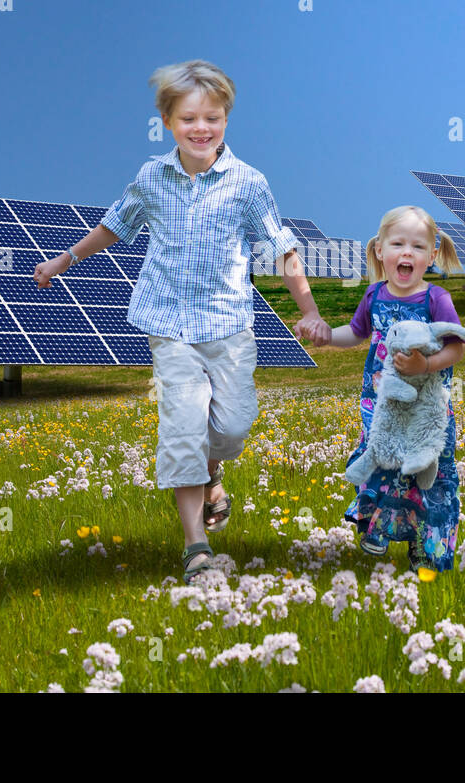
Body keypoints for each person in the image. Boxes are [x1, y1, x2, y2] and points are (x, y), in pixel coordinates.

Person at [33, 60, 331, 583]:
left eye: (212, 118)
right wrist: (66, 259)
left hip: (229, 324)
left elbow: (281, 248)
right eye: (189, 118)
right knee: (181, 428)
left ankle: (213, 469)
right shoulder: (152, 176)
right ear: (168, 121)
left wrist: (307, 308)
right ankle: (196, 545)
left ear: (226, 120)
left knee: (232, 426)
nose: (201, 129)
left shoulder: (247, 182)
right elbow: (115, 224)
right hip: (168, 324)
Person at [318, 205, 465, 573]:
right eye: (397, 244)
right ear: (380, 251)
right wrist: (325, 336)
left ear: (431, 256)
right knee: (381, 457)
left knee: (428, 472)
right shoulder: (374, 296)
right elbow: (355, 333)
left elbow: (457, 346)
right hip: (380, 403)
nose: (406, 253)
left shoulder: (436, 299)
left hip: (427, 408)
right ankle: (379, 527)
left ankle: (426, 545)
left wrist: (425, 365)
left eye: (417, 247)